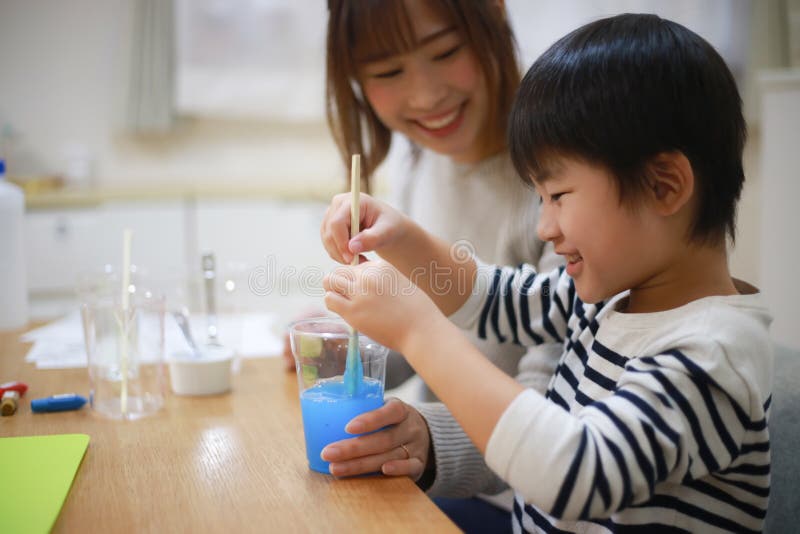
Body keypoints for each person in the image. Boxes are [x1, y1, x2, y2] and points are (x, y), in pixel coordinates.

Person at [319, 13, 773, 533]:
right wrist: (401, 238)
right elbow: (496, 299)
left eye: (557, 196)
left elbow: (577, 470)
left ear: (664, 185)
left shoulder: (713, 355)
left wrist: (417, 332)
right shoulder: (604, 297)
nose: (544, 227)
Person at [285, 1, 562, 529]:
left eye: (446, 51)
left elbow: (550, 425)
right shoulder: (421, 161)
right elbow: (424, 334)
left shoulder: (562, 192)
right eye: (389, 71)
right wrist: (345, 346)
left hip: (527, 504)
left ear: (495, 20)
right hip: (447, 482)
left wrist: (428, 437)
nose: (427, 95)